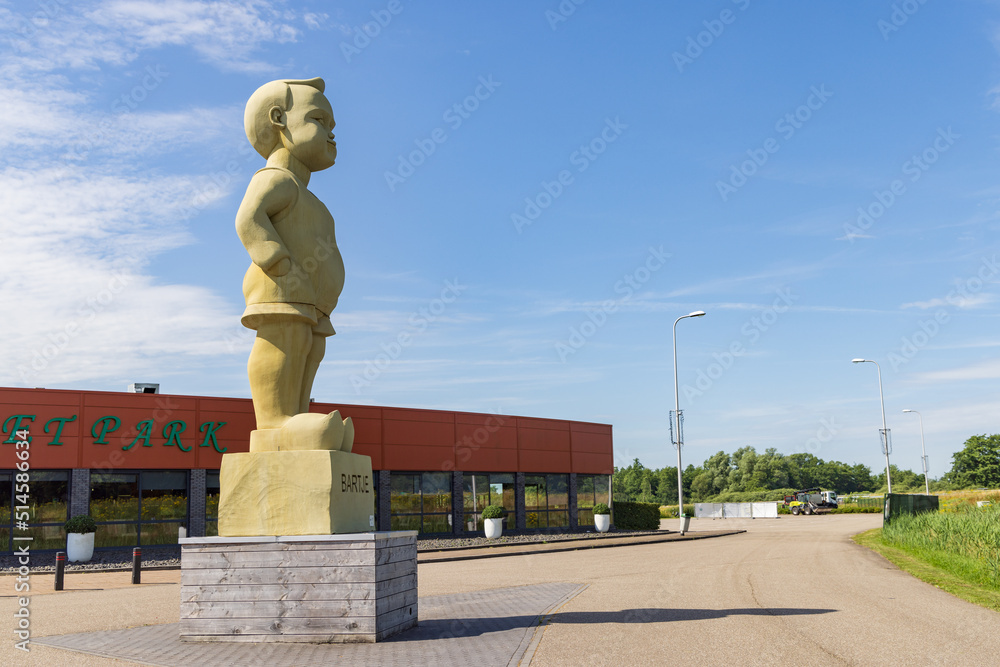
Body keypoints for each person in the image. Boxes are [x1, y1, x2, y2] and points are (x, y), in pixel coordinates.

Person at [236, 77, 350, 450]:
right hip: (282, 289)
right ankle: (273, 424)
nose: (332, 134)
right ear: (279, 118)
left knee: (310, 349)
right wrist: (279, 262)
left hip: (313, 302)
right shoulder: (276, 179)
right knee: (285, 342)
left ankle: (298, 417)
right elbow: (249, 218)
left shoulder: (312, 200)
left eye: (333, 126)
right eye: (319, 120)